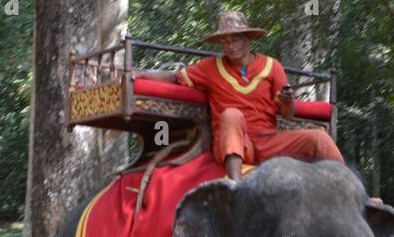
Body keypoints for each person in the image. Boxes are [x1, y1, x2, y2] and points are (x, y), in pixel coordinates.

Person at [136, 11, 343, 181]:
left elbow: (287, 115)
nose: (231, 45)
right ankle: (235, 183)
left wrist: (288, 102)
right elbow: (174, 77)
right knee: (232, 114)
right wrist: (142, 74)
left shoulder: (273, 67)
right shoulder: (210, 67)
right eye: (225, 41)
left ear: (248, 39)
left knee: (318, 137)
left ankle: (355, 192)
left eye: (236, 39)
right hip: (235, 142)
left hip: (268, 140)